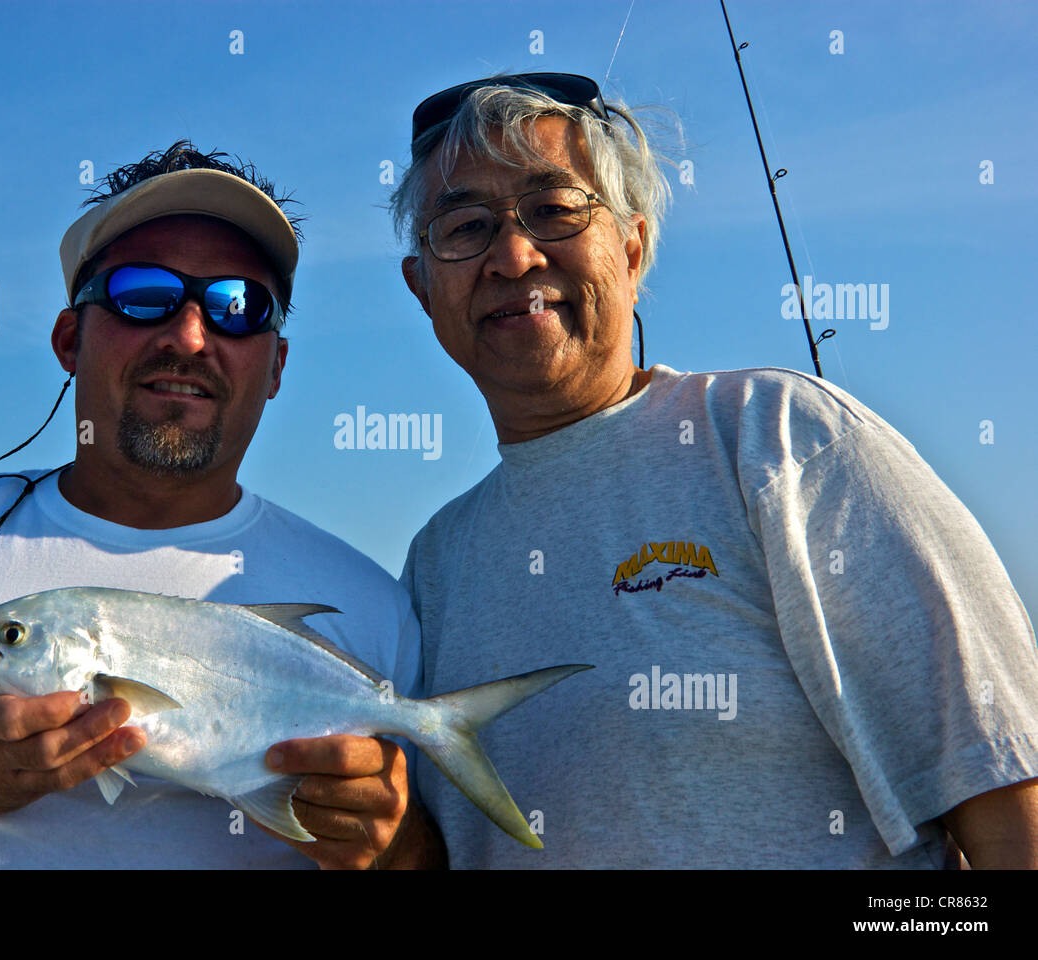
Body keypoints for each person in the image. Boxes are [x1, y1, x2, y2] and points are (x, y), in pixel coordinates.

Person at [390, 73, 1038, 868]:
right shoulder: (432, 564)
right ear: (422, 288)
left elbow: (1005, 791)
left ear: (631, 248)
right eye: (464, 227)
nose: (513, 256)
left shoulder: (782, 437)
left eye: (554, 210)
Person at [0, 141, 442, 869]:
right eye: (144, 293)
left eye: (239, 305)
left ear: (277, 367)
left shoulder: (373, 608)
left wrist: (393, 851)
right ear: (70, 339)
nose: (190, 336)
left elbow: (427, 860)